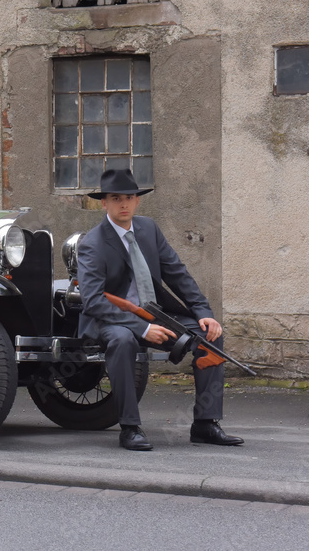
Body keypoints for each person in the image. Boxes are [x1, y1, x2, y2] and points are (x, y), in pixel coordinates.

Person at [76, 168, 244, 451]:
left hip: (156, 313)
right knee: (123, 339)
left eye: (129, 197)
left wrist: (204, 312)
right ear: (103, 203)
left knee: (211, 337)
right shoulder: (92, 243)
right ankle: (129, 428)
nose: (124, 204)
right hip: (110, 319)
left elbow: (177, 274)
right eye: (115, 198)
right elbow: (92, 300)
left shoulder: (149, 229)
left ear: (138, 200)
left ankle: (205, 423)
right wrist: (141, 328)